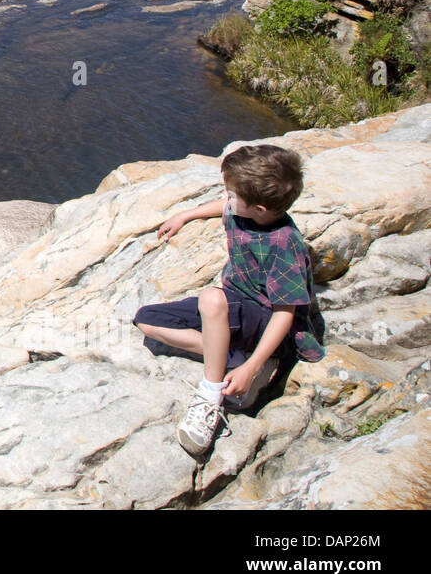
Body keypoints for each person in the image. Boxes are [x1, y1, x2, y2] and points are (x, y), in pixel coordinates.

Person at [133, 143, 325, 457]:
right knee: (147, 321)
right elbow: (222, 204)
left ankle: (211, 395)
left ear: (258, 209)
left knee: (210, 299)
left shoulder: (284, 243)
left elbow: (285, 313)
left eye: (232, 194)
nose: (227, 198)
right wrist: (188, 214)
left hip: (266, 319)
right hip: (234, 306)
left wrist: (252, 366)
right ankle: (228, 359)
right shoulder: (243, 210)